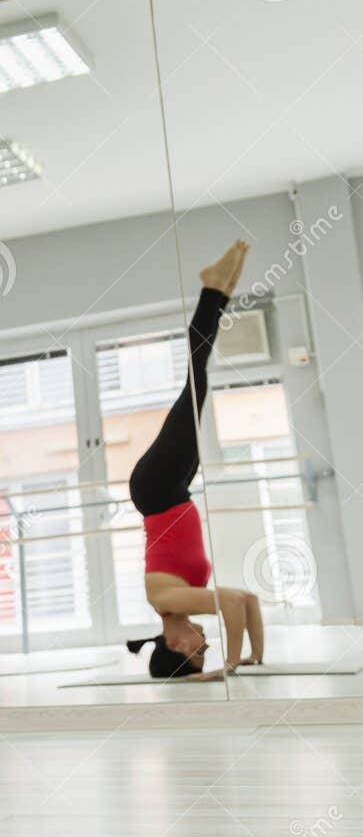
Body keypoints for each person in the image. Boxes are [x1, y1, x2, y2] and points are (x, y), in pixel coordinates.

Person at [126, 242, 264, 681]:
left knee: (195, 381)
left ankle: (212, 290)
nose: (203, 645)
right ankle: (216, 294)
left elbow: (230, 604)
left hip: (157, 490)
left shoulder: (167, 599)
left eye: (196, 653)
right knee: (196, 383)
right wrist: (251, 658)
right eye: (208, 653)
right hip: (173, 491)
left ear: (174, 643)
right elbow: (247, 600)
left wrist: (226, 665)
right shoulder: (179, 601)